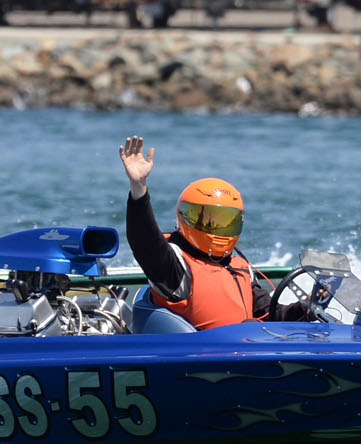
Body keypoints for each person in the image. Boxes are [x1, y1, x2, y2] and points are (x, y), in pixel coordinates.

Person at [119, 135, 292, 331]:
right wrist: (138, 189)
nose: (216, 229)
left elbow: (268, 312)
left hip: (244, 353)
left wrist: (306, 307)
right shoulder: (176, 268)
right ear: (185, 217)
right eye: (208, 220)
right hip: (200, 356)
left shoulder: (240, 267)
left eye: (224, 222)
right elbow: (144, 240)